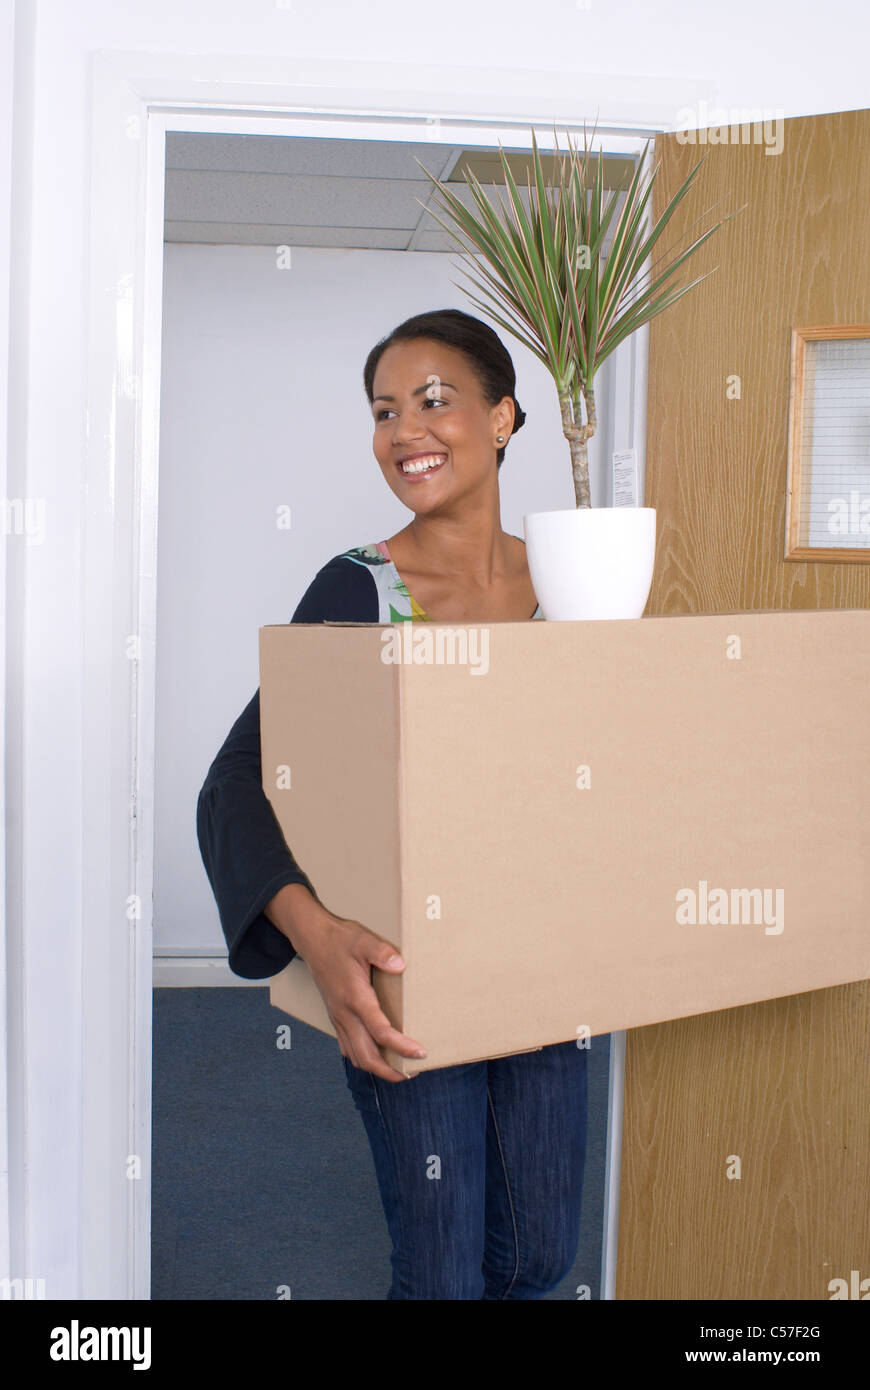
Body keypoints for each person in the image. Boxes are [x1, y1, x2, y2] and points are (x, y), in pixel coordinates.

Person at [197, 308, 588, 1300]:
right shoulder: (359, 588)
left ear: (503, 417)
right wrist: (318, 936)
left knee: (538, 1258)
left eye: (434, 400)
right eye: (383, 410)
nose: (404, 429)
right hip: (407, 976)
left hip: (544, 968)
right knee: (444, 1272)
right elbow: (236, 783)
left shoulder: (575, 587)